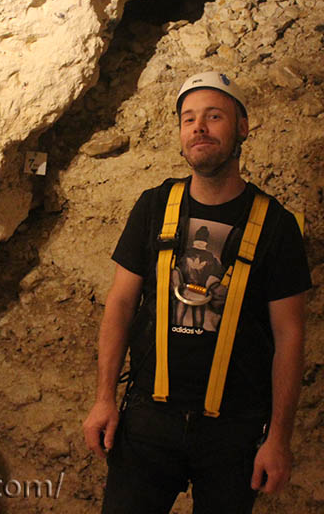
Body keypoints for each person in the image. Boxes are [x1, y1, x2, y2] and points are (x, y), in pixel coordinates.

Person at [82, 72, 311, 514]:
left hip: (234, 431)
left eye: (213, 116)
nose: (199, 128)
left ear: (242, 127)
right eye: (189, 119)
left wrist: (278, 438)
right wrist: (104, 399)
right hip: (148, 420)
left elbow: (290, 335)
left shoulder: (277, 226)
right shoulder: (153, 206)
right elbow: (121, 305)